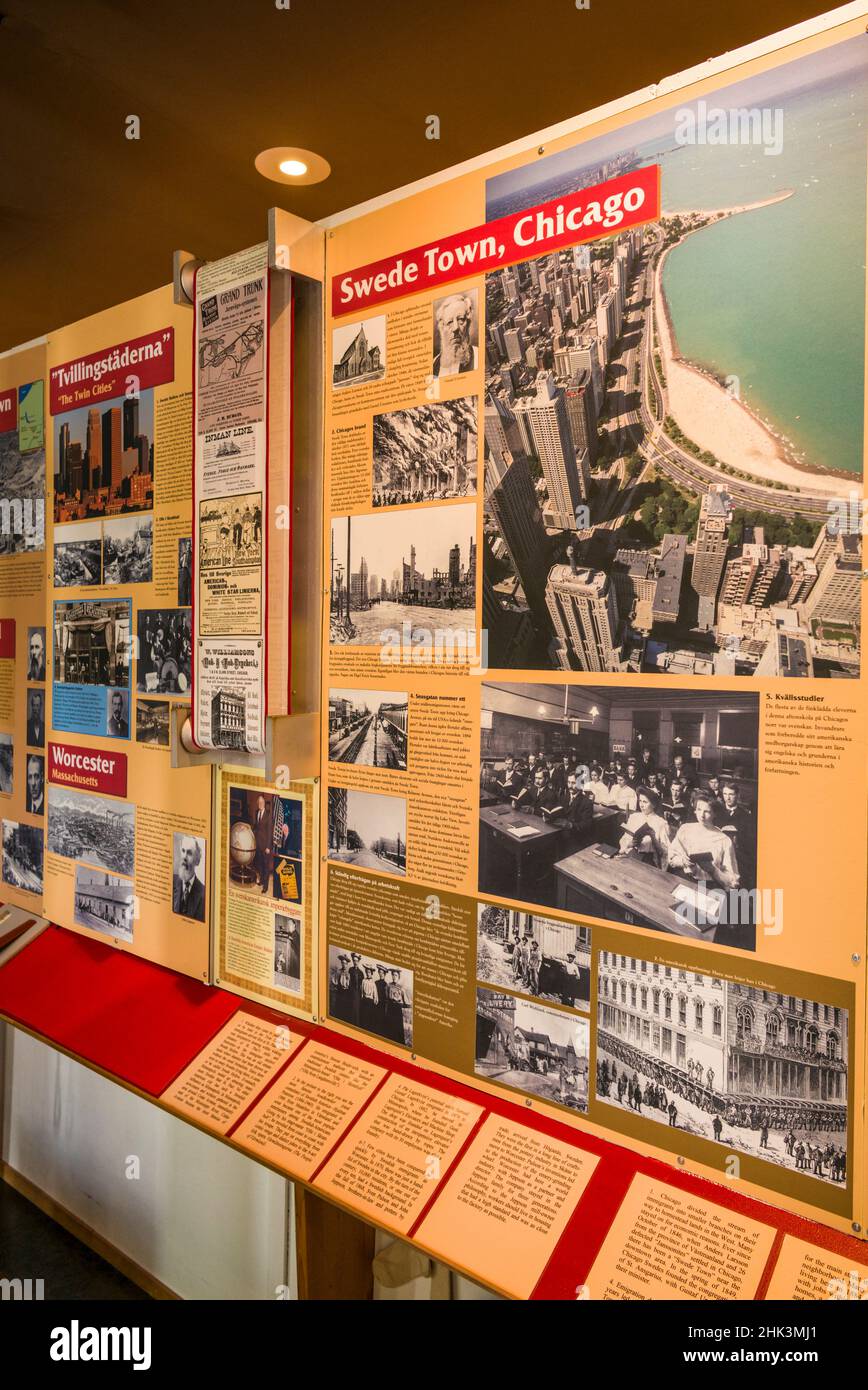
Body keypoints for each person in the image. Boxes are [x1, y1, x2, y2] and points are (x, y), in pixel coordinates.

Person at [667, 794, 741, 890]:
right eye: (699, 809)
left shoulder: (724, 840)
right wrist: (683, 861)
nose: (701, 815)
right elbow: (671, 857)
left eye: (707, 811)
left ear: (715, 813)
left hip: (709, 886)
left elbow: (733, 882)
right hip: (684, 880)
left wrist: (713, 870)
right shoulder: (685, 829)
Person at [618, 787, 671, 866]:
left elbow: (666, 851)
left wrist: (654, 840)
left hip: (648, 860)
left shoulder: (661, 823)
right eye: (640, 801)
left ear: (653, 805)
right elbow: (624, 839)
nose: (641, 805)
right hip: (631, 854)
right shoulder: (634, 817)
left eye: (645, 802)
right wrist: (629, 844)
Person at [433, 293, 477, 376]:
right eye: (449, 322)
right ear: (442, 328)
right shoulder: (433, 364)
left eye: (461, 319)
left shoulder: (478, 356)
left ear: (467, 323)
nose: (455, 328)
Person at [172, 836, 206, 921]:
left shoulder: (204, 893)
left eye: (189, 853)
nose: (184, 857)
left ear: (197, 861)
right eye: (183, 851)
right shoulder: (171, 882)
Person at [253, 793, 274, 895]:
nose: (260, 804)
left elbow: (270, 832)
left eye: (262, 802)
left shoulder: (268, 815)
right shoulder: (256, 812)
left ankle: (265, 887)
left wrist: (268, 847)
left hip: (265, 846)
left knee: (266, 867)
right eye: (259, 802)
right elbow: (256, 828)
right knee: (259, 865)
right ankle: (261, 881)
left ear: (264, 803)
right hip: (258, 845)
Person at [384, 968, 411, 1044]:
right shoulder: (388, 986)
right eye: (393, 975)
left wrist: (401, 1004)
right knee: (390, 1027)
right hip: (390, 1009)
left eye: (396, 975)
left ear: (398, 977)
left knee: (397, 1027)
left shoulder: (401, 988)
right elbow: (386, 998)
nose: (394, 977)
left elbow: (406, 1002)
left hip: (398, 1010)